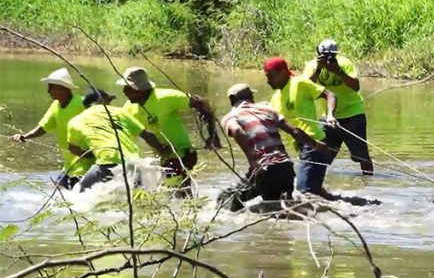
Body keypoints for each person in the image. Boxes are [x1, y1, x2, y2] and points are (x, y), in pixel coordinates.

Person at [217, 83, 329, 212]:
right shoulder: (267, 110)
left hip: (265, 169)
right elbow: (295, 132)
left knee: (226, 200)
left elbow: (237, 131)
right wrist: (316, 144)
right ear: (251, 97)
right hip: (286, 168)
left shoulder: (231, 117)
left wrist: (254, 162)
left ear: (231, 100)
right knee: (280, 207)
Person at [116, 66, 219, 196]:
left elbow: (202, 102)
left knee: (176, 192)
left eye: (127, 88)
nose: (124, 92)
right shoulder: (129, 108)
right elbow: (123, 133)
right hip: (163, 157)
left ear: (138, 89)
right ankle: (191, 210)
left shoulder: (166, 97)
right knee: (170, 192)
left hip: (182, 154)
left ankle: (189, 211)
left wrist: (213, 135)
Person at [264, 56, 338, 200]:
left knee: (303, 192)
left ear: (283, 72)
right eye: (267, 77)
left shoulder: (299, 83)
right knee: (313, 190)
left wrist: (330, 115)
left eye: (271, 76)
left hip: (314, 144)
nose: (268, 81)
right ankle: (336, 206)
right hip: (300, 146)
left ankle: (321, 217)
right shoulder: (275, 99)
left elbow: (330, 95)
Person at [67, 89, 169, 191]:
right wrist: (163, 150)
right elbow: (146, 135)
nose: (110, 104)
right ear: (100, 100)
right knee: (139, 195)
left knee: (79, 194)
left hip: (106, 165)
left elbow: (73, 148)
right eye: (108, 100)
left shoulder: (75, 121)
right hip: (133, 164)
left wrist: (93, 154)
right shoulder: (118, 111)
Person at [11, 68, 91, 189]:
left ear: (62, 88)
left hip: (87, 163)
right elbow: (43, 128)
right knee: (54, 191)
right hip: (70, 165)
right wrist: (24, 136)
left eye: (51, 87)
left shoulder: (82, 103)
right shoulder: (55, 106)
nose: (48, 91)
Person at [303, 39, 373, 175]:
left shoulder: (344, 63)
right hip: (328, 117)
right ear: (318, 53)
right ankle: (316, 185)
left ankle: (369, 184)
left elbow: (355, 86)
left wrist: (338, 71)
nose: (327, 59)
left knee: (361, 156)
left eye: (330, 56)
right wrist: (319, 68)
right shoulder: (312, 65)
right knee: (321, 155)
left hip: (352, 114)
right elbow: (305, 89)